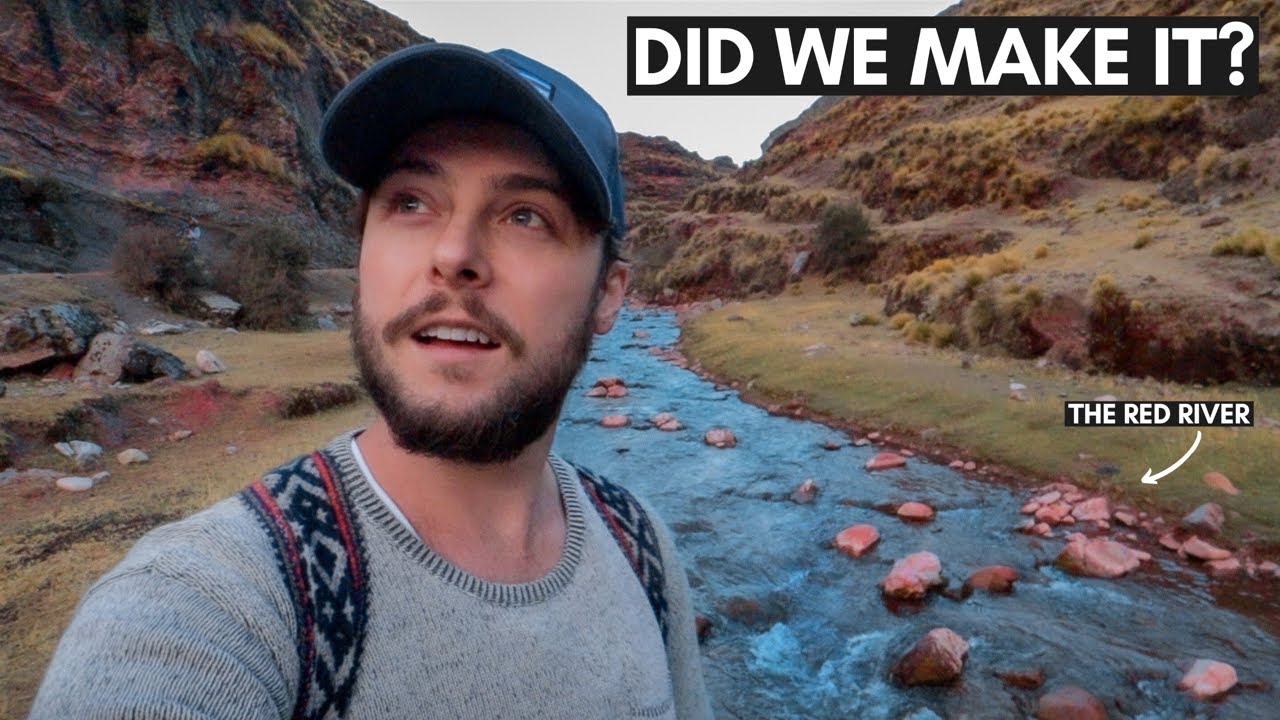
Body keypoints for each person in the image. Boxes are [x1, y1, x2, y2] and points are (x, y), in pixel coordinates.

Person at [31, 43, 712, 719]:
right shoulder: (209, 599)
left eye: (526, 216)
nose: (453, 255)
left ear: (608, 293)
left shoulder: (638, 544)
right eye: (412, 203)